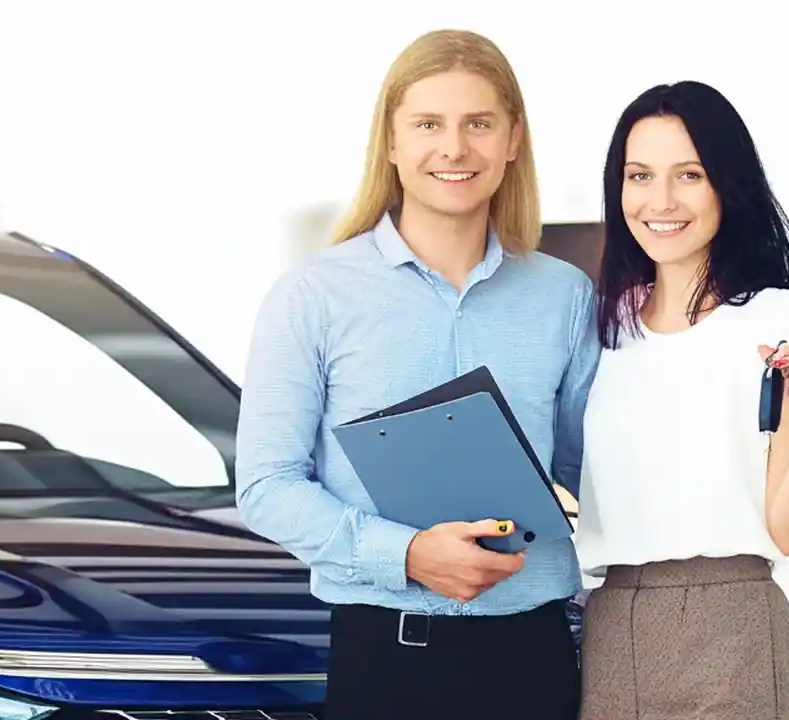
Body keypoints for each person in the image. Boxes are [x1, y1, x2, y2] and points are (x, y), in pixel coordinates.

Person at [234, 29, 599, 720]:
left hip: (536, 658)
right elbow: (265, 485)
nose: (454, 148)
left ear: (512, 139)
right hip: (387, 660)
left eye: (478, 124)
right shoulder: (313, 296)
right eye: (429, 124)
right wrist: (406, 554)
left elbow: (588, 470)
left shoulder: (565, 295)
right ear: (392, 142)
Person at [574, 80, 789, 720]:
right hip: (611, 625)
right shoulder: (600, 326)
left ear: (727, 182)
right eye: (640, 176)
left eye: (688, 174)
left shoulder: (781, 318)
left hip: (737, 626)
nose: (659, 201)